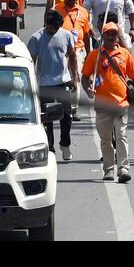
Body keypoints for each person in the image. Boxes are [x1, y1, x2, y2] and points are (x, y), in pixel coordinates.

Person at [82, 22, 134, 183]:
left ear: (118, 36)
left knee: (122, 136)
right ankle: (109, 169)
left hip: (121, 104)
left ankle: (123, 169)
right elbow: (85, 76)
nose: (111, 36)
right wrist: (88, 89)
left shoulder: (125, 54)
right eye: (108, 33)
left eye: (114, 34)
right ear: (103, 36)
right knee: (106, 139)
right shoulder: (94, 56)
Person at [28, 8, 79, 161]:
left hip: (63, 82)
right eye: (50, 27)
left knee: (66, 116)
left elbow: (72, 56)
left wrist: (74, 77)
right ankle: (50, 147)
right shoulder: (36, 38)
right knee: (47, 119)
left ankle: (65, 144)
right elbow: (31, 61)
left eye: (55, 28)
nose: (52, 30)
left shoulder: (66, 35)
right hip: (44, 84)